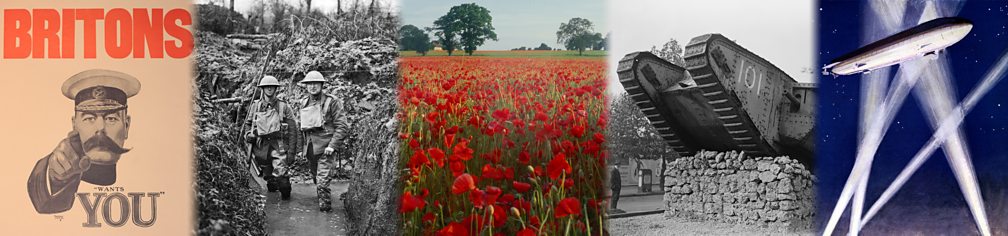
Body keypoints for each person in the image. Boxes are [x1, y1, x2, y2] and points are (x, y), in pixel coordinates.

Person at [27, 69, 141, 214]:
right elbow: (47, 202)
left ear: (126, 126)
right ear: (74, 125)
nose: (100, 129)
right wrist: (55, 175)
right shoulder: (59, 166)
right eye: (89, 118)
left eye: (111, 118)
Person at [297, 71, 348, 212]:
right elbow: (301, 128)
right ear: (306, 86)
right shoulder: (303, 102)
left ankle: (325, 211)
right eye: (309, 84)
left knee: (323, 181)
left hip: (326, 148)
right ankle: (321, 195)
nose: (312, 86)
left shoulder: (332, 102)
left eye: (315, 83)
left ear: (321, 85)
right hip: (311, 148)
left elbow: (342, 126)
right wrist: (302, 148)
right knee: (315, 177)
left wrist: (332, 146)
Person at [245, 75, 297, 200]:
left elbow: (292, 130)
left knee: (282, 177)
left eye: (272, 87)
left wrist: (291, 152)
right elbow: (248, 124)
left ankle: (286, 202)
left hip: (278, 146)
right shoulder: (255, 106)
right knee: (269, 179)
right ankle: (272, 204)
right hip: (260, 147)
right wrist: (248, 135)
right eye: (266, 87)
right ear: (262, 89)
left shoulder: (284, 107)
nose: (269, 89)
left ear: (275, 89)